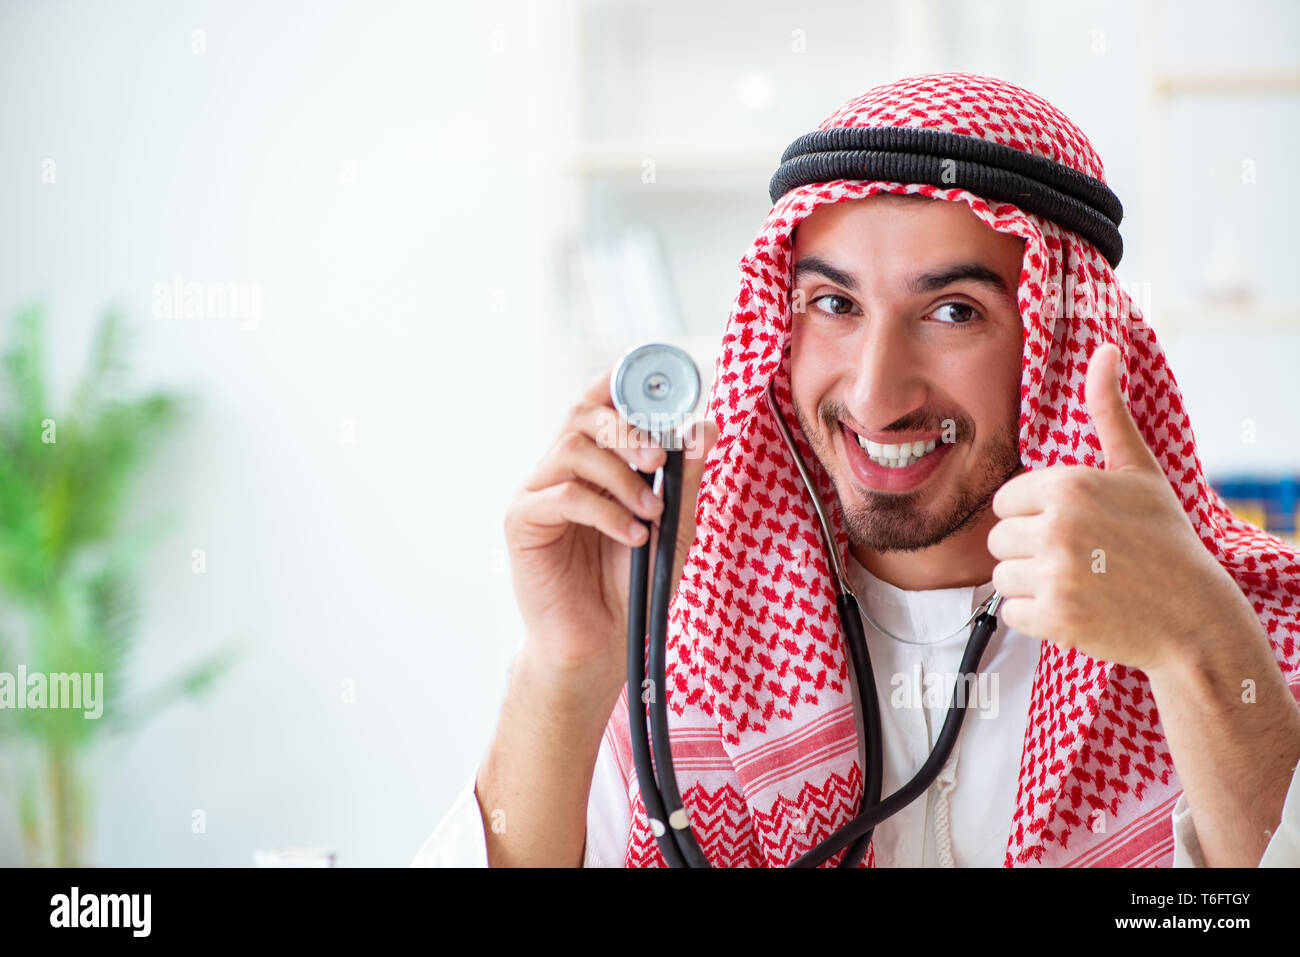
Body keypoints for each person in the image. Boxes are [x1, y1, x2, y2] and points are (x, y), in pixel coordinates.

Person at [413, 72, 1300, 867]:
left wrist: (1196, 641)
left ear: (1062, 341)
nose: (877, 395)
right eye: (834, 304)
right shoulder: (680, 634)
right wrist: (565, 671)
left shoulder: (1251, 633)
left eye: (952, 311)